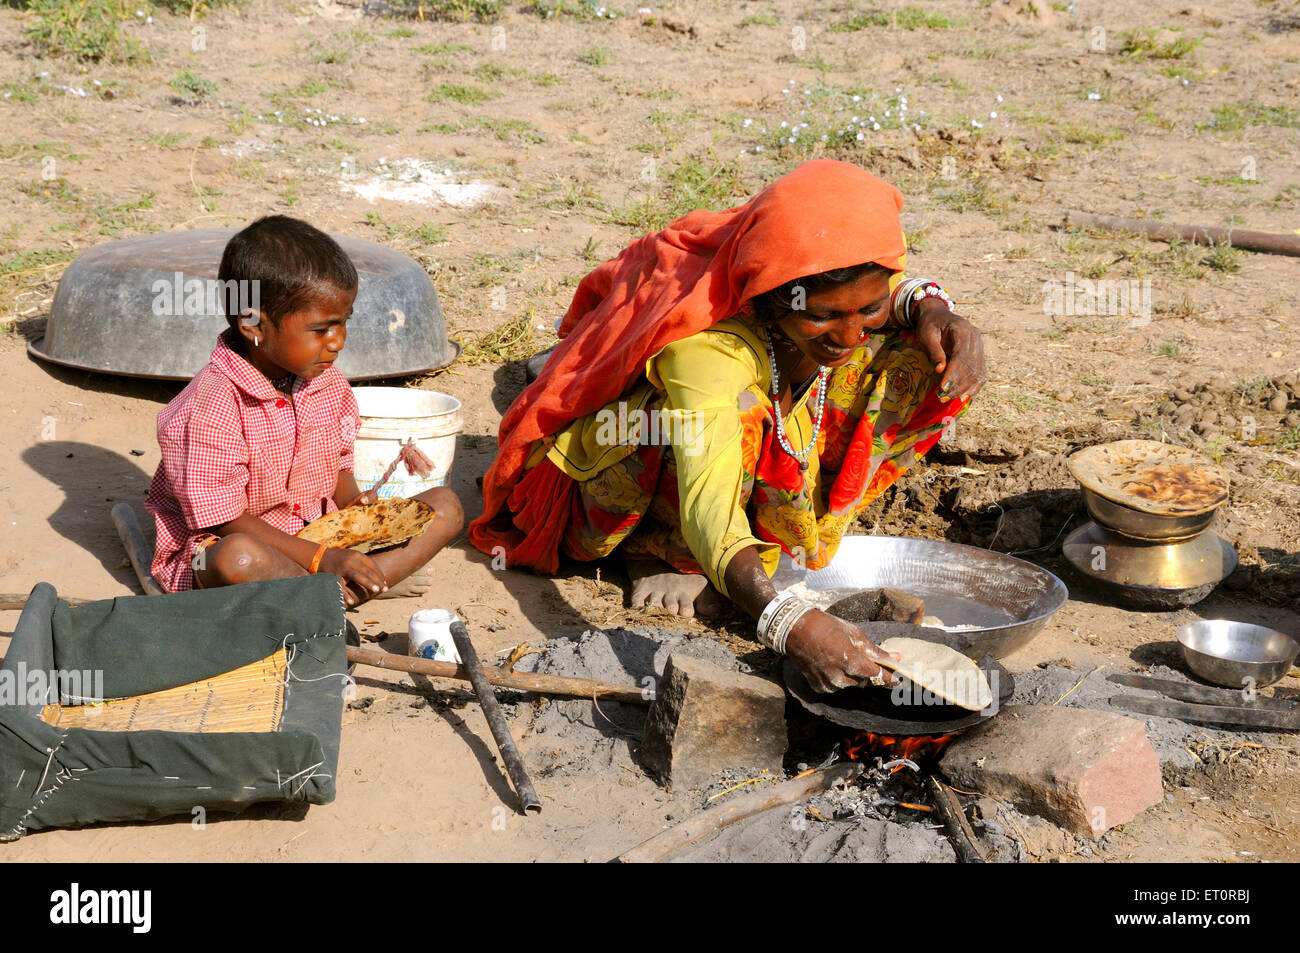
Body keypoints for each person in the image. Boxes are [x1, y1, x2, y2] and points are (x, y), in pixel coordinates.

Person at [470, 160, 986, 693]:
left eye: (869, 309)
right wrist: (788, 622)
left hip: (728, 437)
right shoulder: (708, 349)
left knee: (926, 358)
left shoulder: (835, 287)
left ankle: (780, 526)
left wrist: (933, 308)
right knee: (737, 412)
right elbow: (708, 504)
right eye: (824, 316)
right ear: (771, 293)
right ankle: (659, 551)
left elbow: (876, 288)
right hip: (620, 477)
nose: (850, 336)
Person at [146, 215, 463, 607]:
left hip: (316, 535)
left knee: (445, 507)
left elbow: (337, 467)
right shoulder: (210, 404)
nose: (338, 342)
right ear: (253, 325)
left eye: (344, 323)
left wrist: (354, 503)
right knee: (239, 558)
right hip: (235, 544)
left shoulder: (326, 384)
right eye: (322, 330)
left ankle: (340, 591)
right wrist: (322, 559)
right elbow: (223, 519)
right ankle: (349, 591)